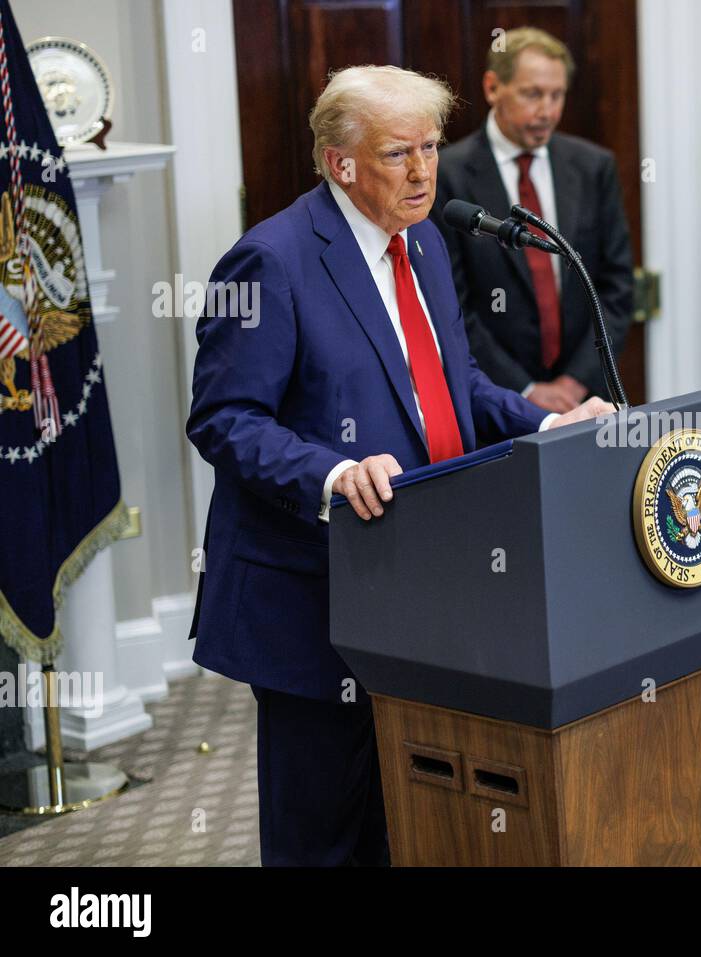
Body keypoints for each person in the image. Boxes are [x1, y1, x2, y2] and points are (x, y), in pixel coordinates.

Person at [186, 65, 612, 865]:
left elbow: (456, 388)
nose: (423, 172)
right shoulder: (270, 261)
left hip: (421, 577)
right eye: (397, 154)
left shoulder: (421, 238)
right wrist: (330, 475)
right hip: (314, 590)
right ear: (339, 162)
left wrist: (553, 422)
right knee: (321, 828)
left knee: (404, 818)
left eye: (430, 148)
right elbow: (224, 418)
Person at [434, 26, 633, 414]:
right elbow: (451, 305)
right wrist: (524, 389)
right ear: (493, 88)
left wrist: (575, 381)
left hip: (588, 395)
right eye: (533, 94)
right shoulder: (448, 176)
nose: (547, 111)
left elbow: (616, 287)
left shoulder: (594, 167)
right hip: (495, 400)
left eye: (557, 95)